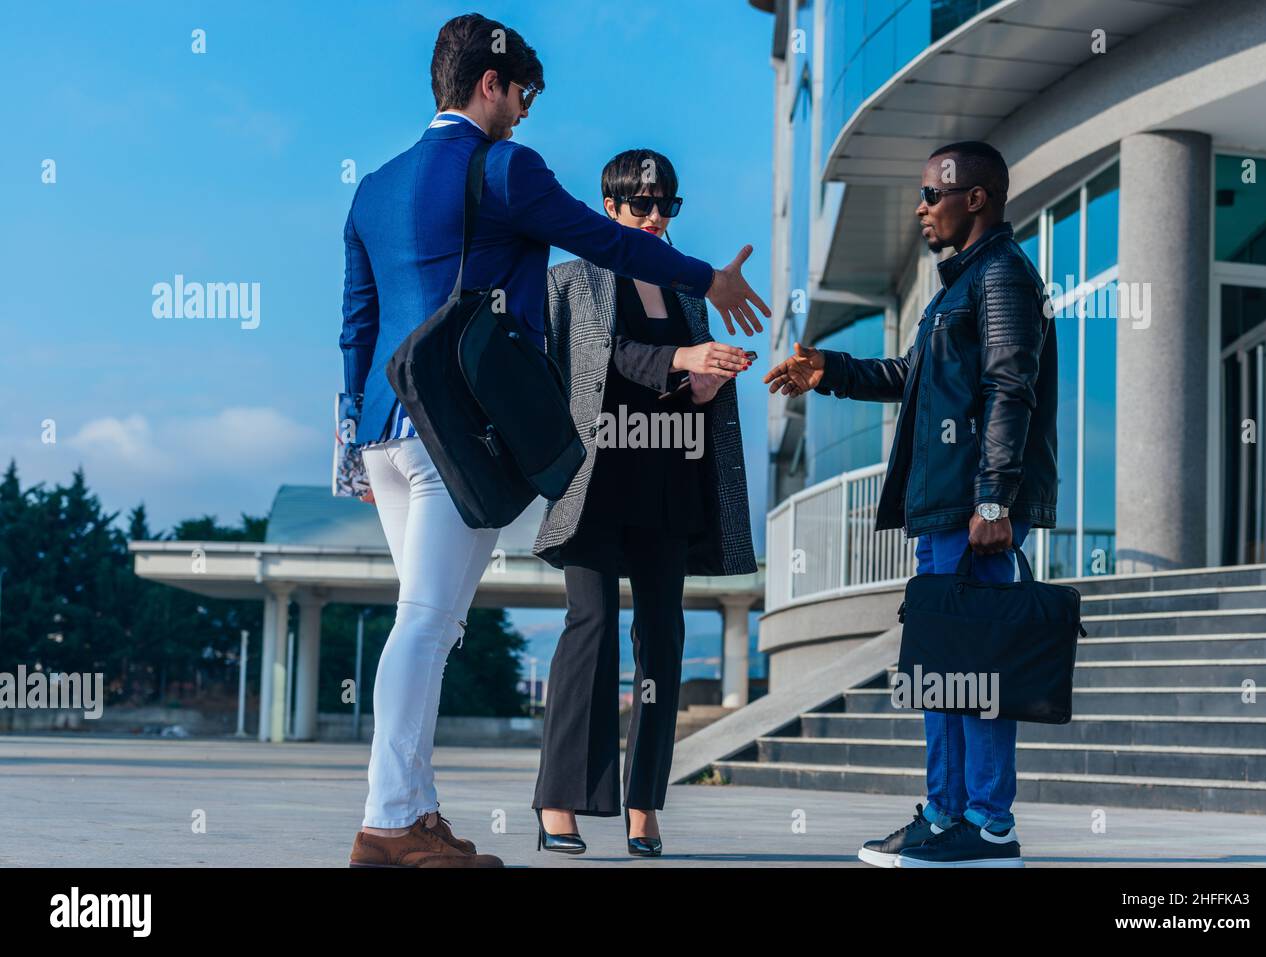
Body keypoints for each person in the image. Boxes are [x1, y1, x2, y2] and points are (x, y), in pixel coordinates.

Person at [340, 14, 769, 869]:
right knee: (426, 624)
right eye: (523, 93)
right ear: (489, 84)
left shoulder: (374, 186)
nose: (527, 112)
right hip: (453, 436)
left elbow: (356, 323)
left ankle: (415, 814)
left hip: (388, 433)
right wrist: (707, 277)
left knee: (433, 622)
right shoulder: (501, 166)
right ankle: (389, 821)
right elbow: (602, 239)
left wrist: (349, 437)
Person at [764, 140, 1057, 868]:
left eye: (934, 193)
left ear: (978, 198)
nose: (921, 207)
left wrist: (993, 498)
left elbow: (1009, 388)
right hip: (942, 512)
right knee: (943, 668)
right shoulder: (955, 289)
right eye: (922, 194)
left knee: (976, 668)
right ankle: (945, 812)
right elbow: (911, 375)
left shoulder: (1002, 279)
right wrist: (827, 369)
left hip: (972, 512)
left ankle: (986, 823)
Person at [529, 149, 757, 857]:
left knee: (663, 644)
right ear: (611, 208)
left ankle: (643, 804)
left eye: (667, 205)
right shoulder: (571, 281)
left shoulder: (688, 293)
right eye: (642, 205)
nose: (656, 217)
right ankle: (559, 799)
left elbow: (682, 389)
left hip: (668, 484)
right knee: (589, 629)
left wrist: (709, 379)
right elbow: (602, 357)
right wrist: (681, 360)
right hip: (595, 486)